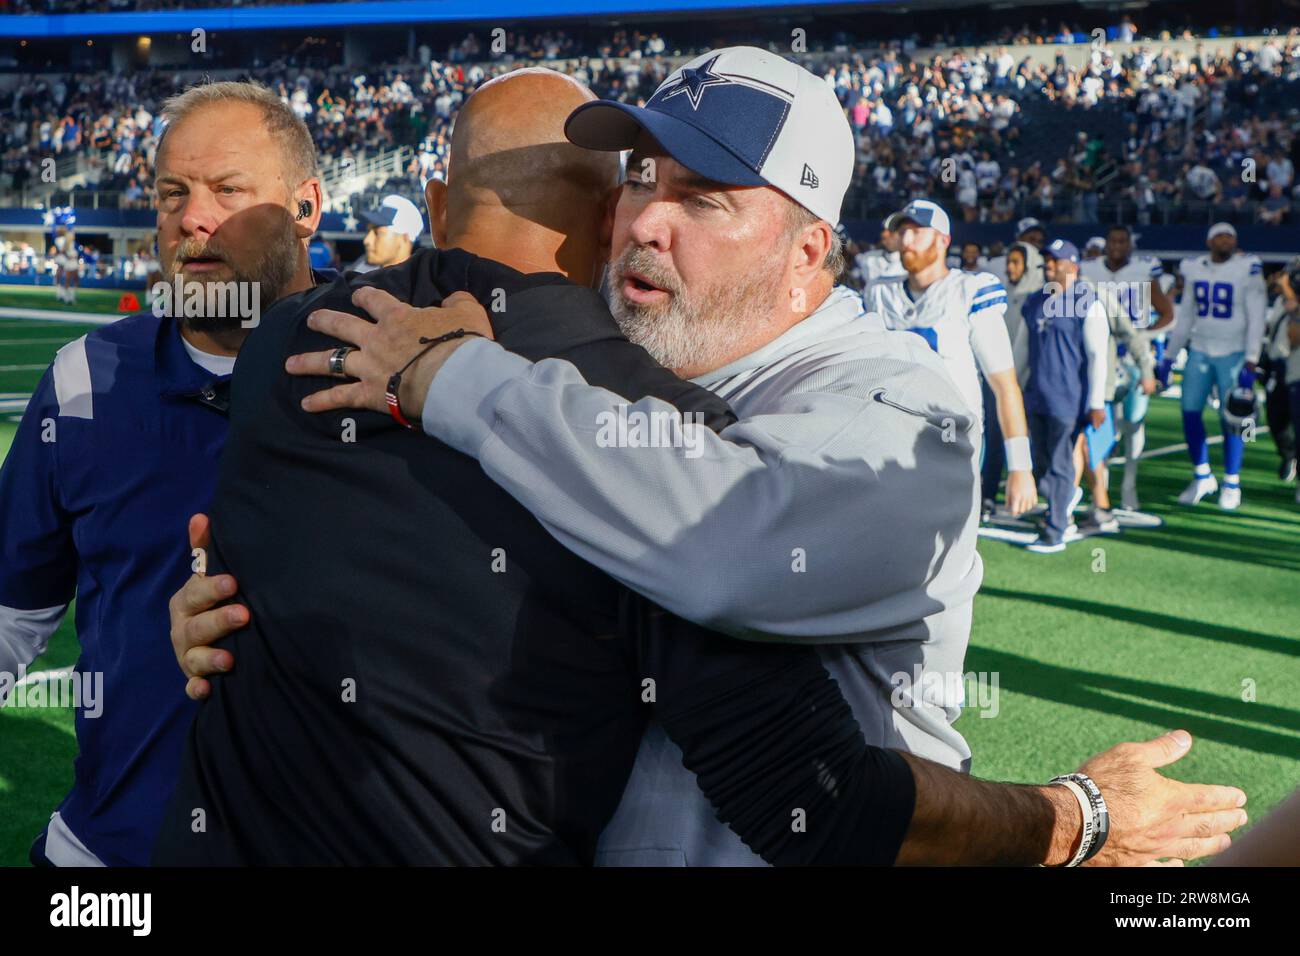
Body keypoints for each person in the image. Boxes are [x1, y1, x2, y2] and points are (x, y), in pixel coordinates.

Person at [167, 57, 1247, 868]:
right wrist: (247, 607)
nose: (645, 222)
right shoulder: (594, 357)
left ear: (809, 249)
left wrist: (451, 377)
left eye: (705, 199)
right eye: (639, 181)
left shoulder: (895, 402)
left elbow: (722, 542)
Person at [0, 80, 331, 867]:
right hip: (109, 862)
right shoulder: (86, 380)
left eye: (228, 188)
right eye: (171, 193)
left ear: (307, 205)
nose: (192, 217)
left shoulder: (393, 372)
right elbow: (12, 611)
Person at [863, 199, 1038, 517]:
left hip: (953, 444)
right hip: (890, 440)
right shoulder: (879, 293)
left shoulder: (970, 291)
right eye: (902, 232)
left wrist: (1020, 466)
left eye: (916, 232)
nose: (905, 241)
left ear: (943, 240)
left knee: (947, 555)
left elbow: (1004, 385)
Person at [1159, 223, 1267, 511]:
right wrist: (1169, 356)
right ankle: (1202, 475)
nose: (1226, 240)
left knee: (1234, 418)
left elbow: (1257, 317)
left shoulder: (1248, 268)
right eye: (1220, 235)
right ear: (1209, 241)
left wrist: (1252, 358)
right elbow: (1185, 318)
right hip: (1200, 349)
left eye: (1231, 235)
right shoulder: (1194, 269)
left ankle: (1232, 482)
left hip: (1233, 352)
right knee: (1189, 412)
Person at [1021, 240, 1109, 554]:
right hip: (1036, 396)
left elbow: (1098, 355)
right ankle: (1062, 499)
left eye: (1056, 261)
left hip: (1067, 398)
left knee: (1059, 464)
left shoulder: (1088, 302)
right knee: (1040, 465)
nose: (1049, 265)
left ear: (1072, 265)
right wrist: (1014, 386)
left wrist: (1097, 402)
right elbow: (1023, 347)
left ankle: (1055, 531)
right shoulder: (1034, 301)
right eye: (1047, 259)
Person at [1078, 224, 1173, 514]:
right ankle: (1101, 486)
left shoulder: (1144, 271)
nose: (1117, 245)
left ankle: (1129, 481)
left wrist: (1141, 339)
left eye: (1122, 240)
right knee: (1102, 422)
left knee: (1132, 422)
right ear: (1105, 243)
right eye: (1112, 240)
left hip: (1131, 358)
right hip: (1100, 356)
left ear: (1131, 245)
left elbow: (1168, 314)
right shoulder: (1088, 270)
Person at [982, 240, 1043, 514]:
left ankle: (1036, 493)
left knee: (1035, 439)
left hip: (1030, 380)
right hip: (999, 380)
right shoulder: (999, 293)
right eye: (1009, 261)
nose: (1010, 267)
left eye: (1017, 262)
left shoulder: (1039, 297)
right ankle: (988, 493)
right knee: (995, 438)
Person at [350, 194, 425, 273]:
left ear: (405, 238)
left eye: (378, 233)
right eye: (368, 231)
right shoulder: (361, 269)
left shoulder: (421, 280)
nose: (366, 240)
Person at [854, 218, 905, 288]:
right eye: (885, 230)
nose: (886, 234)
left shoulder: (913, 264)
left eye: (893, 231)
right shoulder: (869, 259)